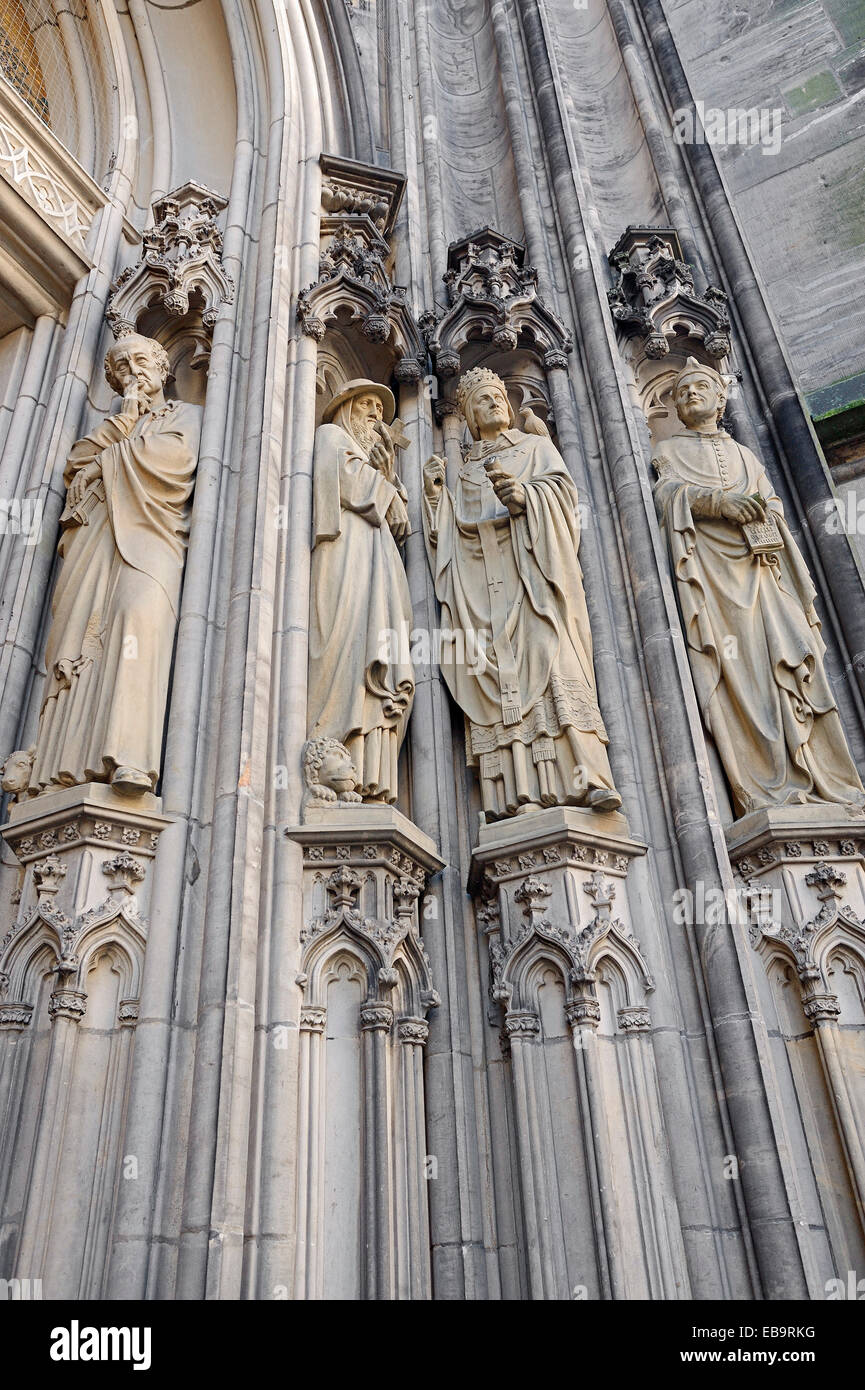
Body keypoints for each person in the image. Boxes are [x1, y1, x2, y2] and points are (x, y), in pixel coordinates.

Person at [653, 357, 865, 817]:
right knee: (742, 669)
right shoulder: (667, 451)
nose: (691, 394)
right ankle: (765, 780)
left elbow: (771, 502)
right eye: (683, 390)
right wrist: (716, 503)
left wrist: (765, 521)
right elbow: (666, 497)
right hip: (714, 578)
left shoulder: (746, 454)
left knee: (790, 656)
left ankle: (815, 771)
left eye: (700, 387)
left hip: (764, 571)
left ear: (720, 398)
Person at [423, 366, 621, 819]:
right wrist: (437, 498)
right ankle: (518, 797)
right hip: (489, 593)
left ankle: (588, 779)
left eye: (498, 397)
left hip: (537, 582)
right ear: (469, 417)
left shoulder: (535, 447)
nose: (493, 403)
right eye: (482, 401)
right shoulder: (467, 473)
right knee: (502, 685)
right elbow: (451, 540)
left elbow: (564, 500)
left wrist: (526, 497)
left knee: (556, 666)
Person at [28, 333, 201, 796]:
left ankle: (131, 756)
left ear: (163, 368)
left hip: (152, 539)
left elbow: (179, 461)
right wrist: (120, 430)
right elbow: (76, 469)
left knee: (137, 620)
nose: (131, 373)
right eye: (120, 367)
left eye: (140, 361)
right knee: (82, 641)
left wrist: (110, 459)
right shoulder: (110, 426)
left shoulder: (186, 416)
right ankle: (64, 767)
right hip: (97, 546)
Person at [307, 379, 414, 803]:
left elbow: (395, 511)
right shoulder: (331, 436)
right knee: (348, 645)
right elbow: (351, 485)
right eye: (367, 404)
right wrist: (385, 487)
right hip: (345, 552)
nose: (375, 413)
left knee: (384, 648)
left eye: (380, 407)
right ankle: (331, 754)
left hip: (378, 555)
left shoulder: (373, 463)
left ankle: (371, 776)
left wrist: (388, 481)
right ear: (345, 407)